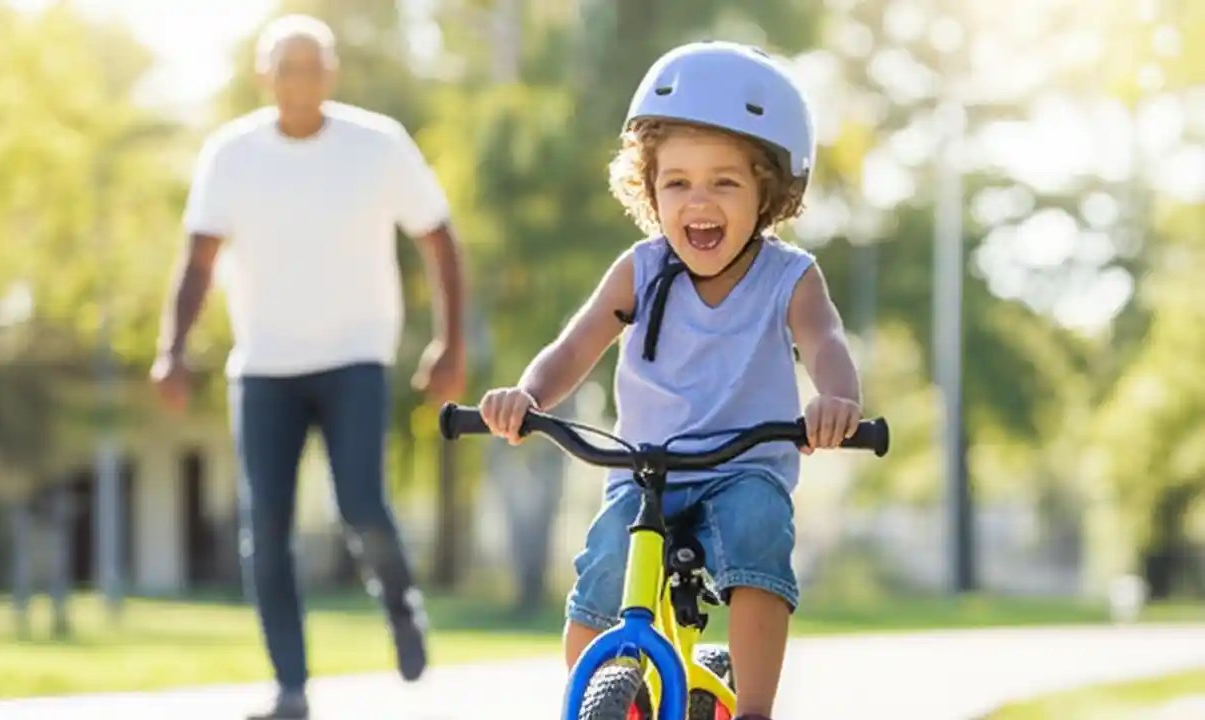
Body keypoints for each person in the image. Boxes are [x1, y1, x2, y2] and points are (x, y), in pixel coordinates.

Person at [477, 41, 862, 720]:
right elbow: (575, 345)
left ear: (769, 191)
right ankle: (598, 701)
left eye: (725, 181)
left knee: (757, 530)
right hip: (644, 470)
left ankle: (754, 710)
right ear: (649, 188)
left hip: (742, 466)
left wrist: (838, 400)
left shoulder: (789, 278)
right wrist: (528, 396)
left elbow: (825, 341)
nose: (698, 201)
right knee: (602, 563)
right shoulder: (641, 269)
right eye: (676, 181)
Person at [149, 14, 466, 720]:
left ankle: (400, 603)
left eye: (312, 66)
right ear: (265, 76)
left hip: (355, 355)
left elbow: (438, 239)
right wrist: (172, 349)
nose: (300, 79)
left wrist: (451, 342)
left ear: (331, 74)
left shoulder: (376, 144)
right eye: (286, 67)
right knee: (266, 526)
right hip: (263, 365)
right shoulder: (231, 154)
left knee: (361, 504)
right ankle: (291, 688)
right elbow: (197, 260)